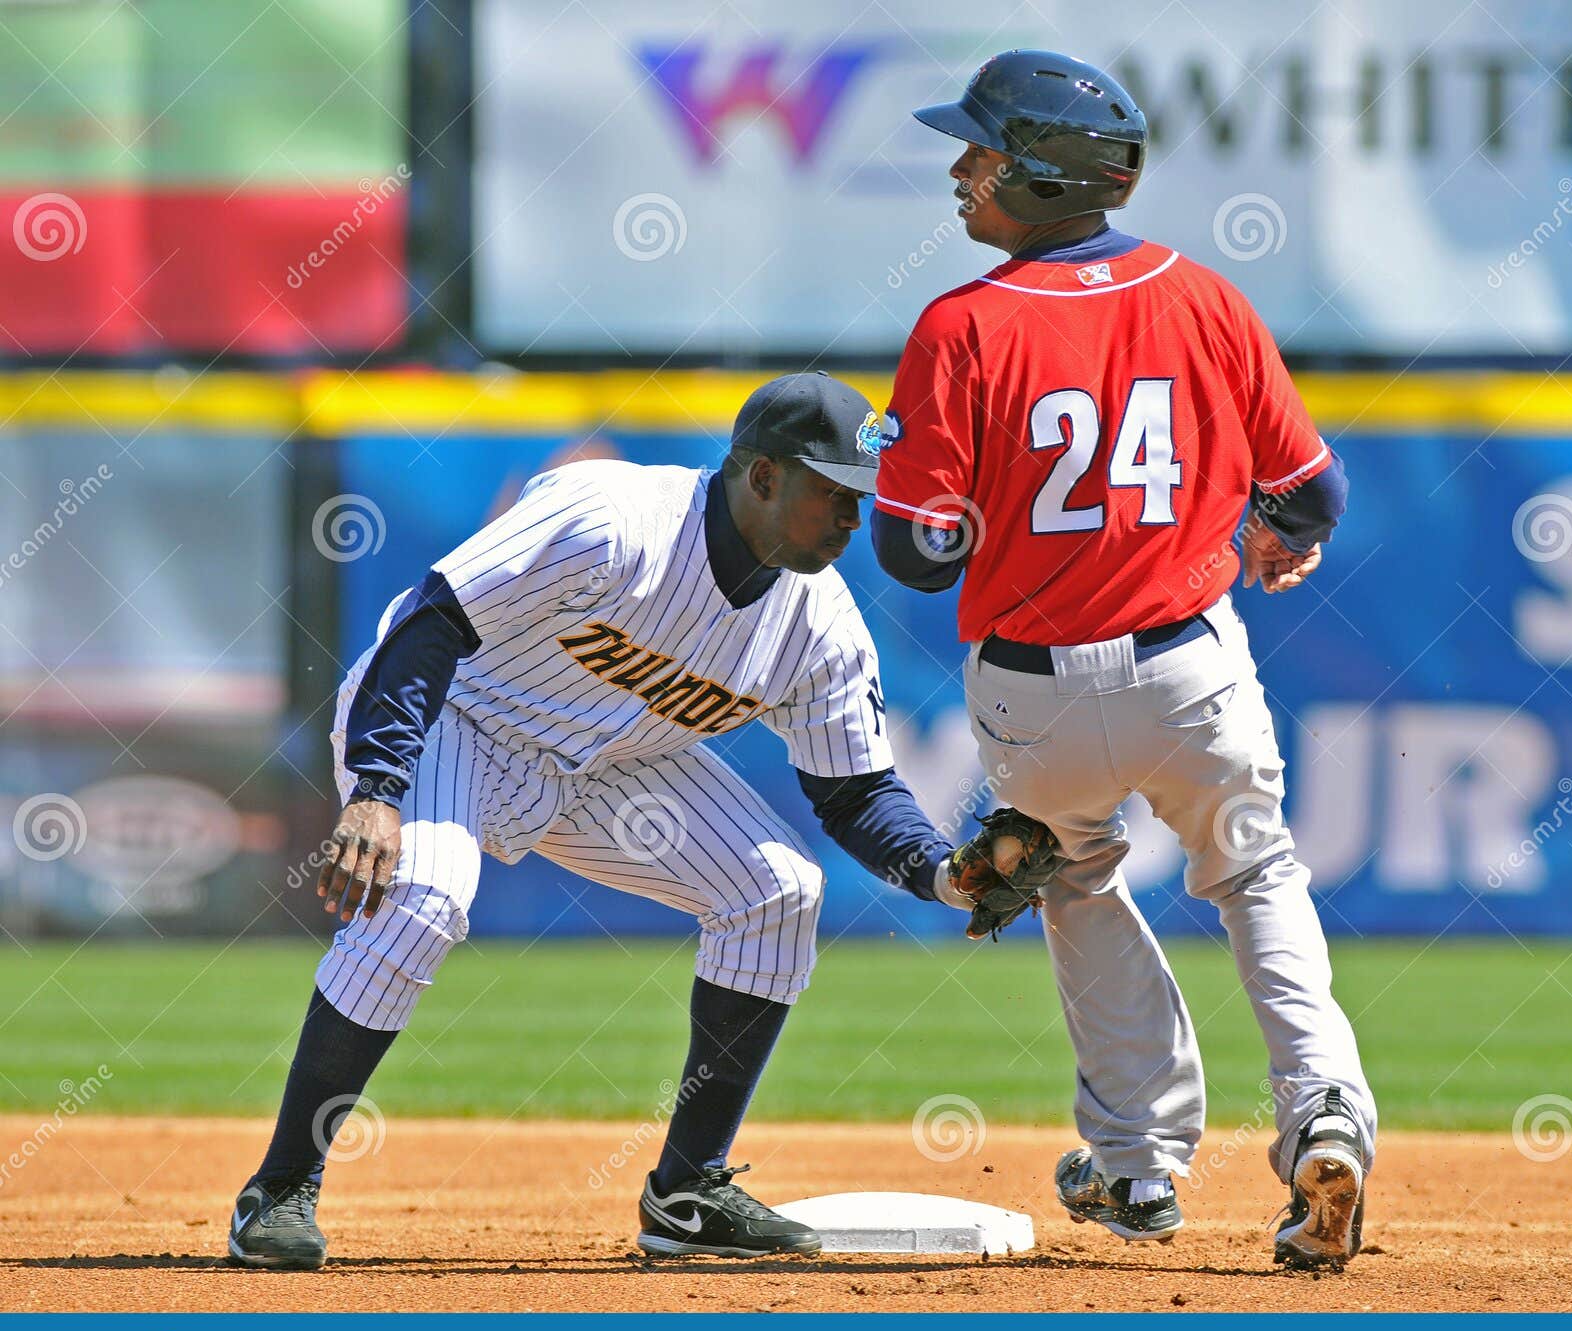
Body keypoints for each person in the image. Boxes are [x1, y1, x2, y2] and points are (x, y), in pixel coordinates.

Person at [227, 372, 975, 1267]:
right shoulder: (613, 519)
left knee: (779, 891)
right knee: (423, 899)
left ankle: (687, 1192)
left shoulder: (820, 626)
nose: (855, 518)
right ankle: (279, 1187)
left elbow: (854, 792)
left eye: (863, 496)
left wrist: (946, 873)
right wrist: (379, 788)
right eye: (836, 492)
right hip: (457, 716)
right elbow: (433, 619)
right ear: (763, 476)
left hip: (605, 765)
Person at [872, 50, 1376, 1268]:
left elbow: (913, 554)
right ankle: (1323, 1115)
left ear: (1041, 175)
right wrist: (1268, 534)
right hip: (1189, 667)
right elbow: (1312, 494)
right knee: (1255, 874)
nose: (960, 167)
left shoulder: (960, 325)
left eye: (982, 149)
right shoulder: (1204, 298)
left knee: (1074, 876)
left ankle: (1138, 1164)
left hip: (1032, 689)